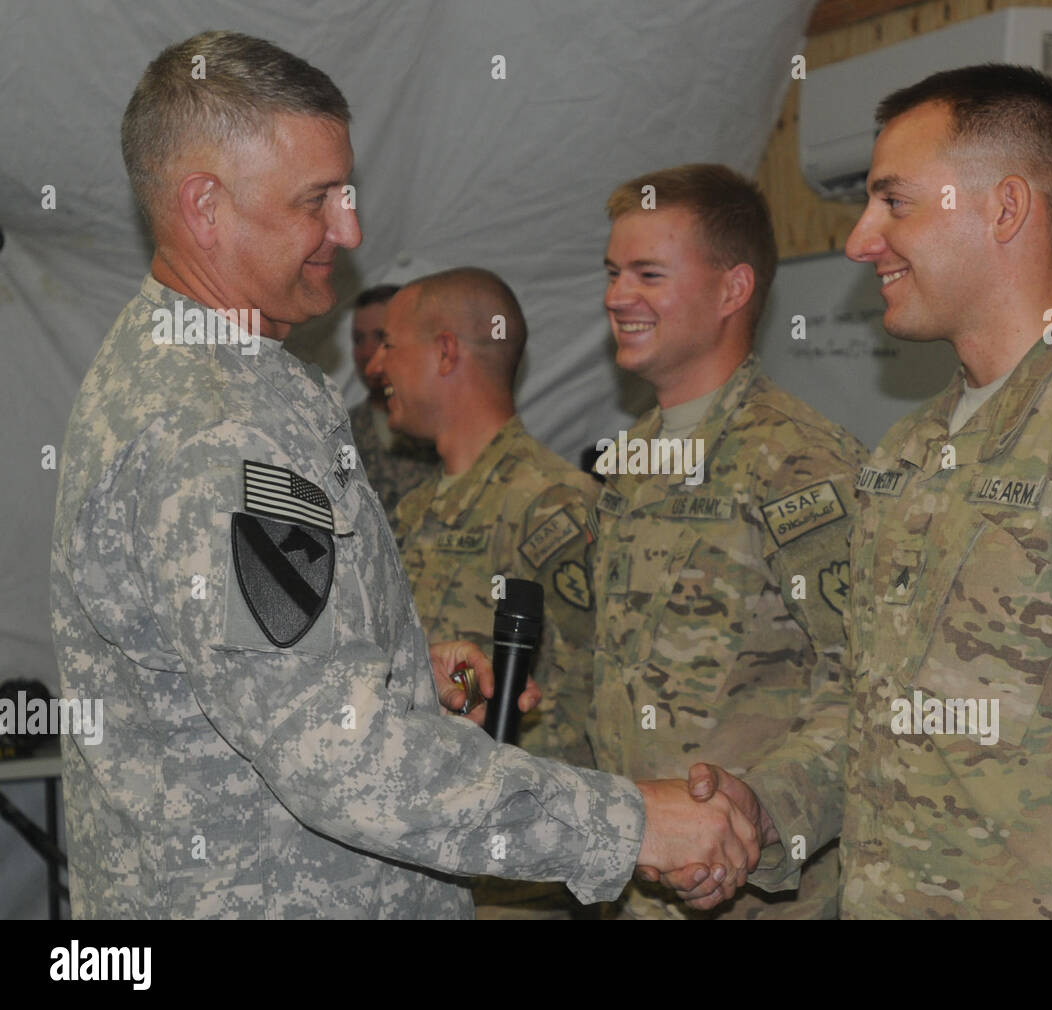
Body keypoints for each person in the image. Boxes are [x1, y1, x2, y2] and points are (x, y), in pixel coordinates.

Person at [49, 30, 759, 919]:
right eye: (318, 202)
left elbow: (252, 667)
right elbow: (331, 751)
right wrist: (625, 825)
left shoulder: (212, 373)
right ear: (205, 206)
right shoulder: (216, 421)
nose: (348, 232)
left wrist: (398, 673)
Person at [678, 64, 1052, 918]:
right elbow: (870, 715)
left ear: (1006, 209)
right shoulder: (908, 453)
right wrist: (766, 808)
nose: (860, 240)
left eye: (893, 202)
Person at [593, 164, 869, 918]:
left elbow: (868, 687)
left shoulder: (800, 462)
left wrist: (756, 813)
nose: (619, 297)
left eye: (649, 273)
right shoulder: (631, 459)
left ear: (732, 289)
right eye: (614, 273)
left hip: (758, 894)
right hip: (636, 893)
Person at [369, 268, 600, 917]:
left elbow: (582, 708)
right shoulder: (415, 512)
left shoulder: (556, 506)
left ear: (446, 352)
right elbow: (450, 687)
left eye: (391, 343)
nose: (377, 364)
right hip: (425, 870)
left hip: (516, 891)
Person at [346, 284, 439, 520]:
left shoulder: (447, 425)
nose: (367, 352)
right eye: (358, 339)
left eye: (380, 337)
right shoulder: (340, 432)